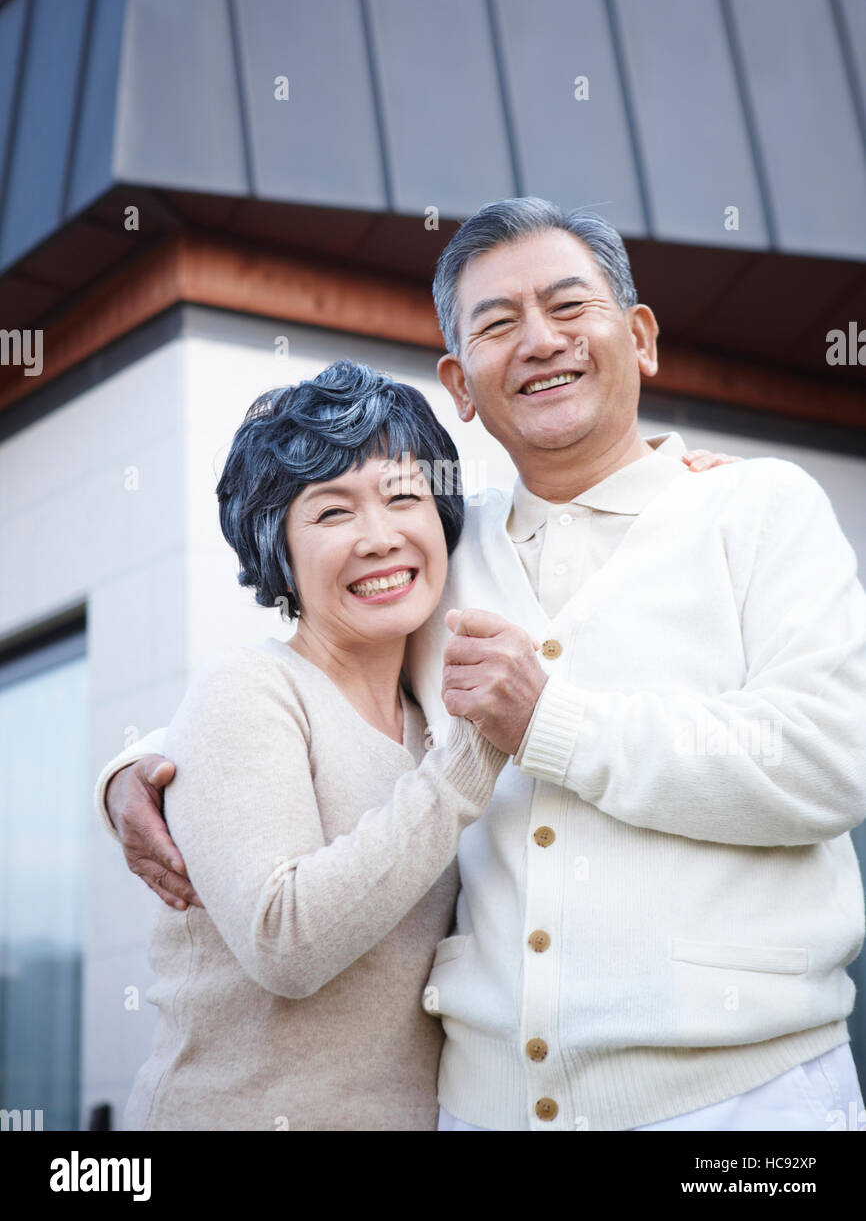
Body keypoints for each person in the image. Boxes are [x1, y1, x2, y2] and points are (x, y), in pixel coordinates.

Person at [97, 199, 866, 1133]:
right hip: (481, 1110)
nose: (539, 341)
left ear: (641, 337)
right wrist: (143, 775)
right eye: (497, 324)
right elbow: (304, 669)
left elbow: (834, 757)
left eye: (569, 307)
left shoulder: (758, 509)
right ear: (461, 384)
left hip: (744, 1105)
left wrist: (555, 724)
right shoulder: (442, 559)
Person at [104, 361, 517, 1130]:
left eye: (403, 497)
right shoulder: (249, 689)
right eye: (331, 513)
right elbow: (282, 942)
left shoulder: (433, 714)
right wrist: (466, 770)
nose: (379, 537)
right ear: (277, 550)